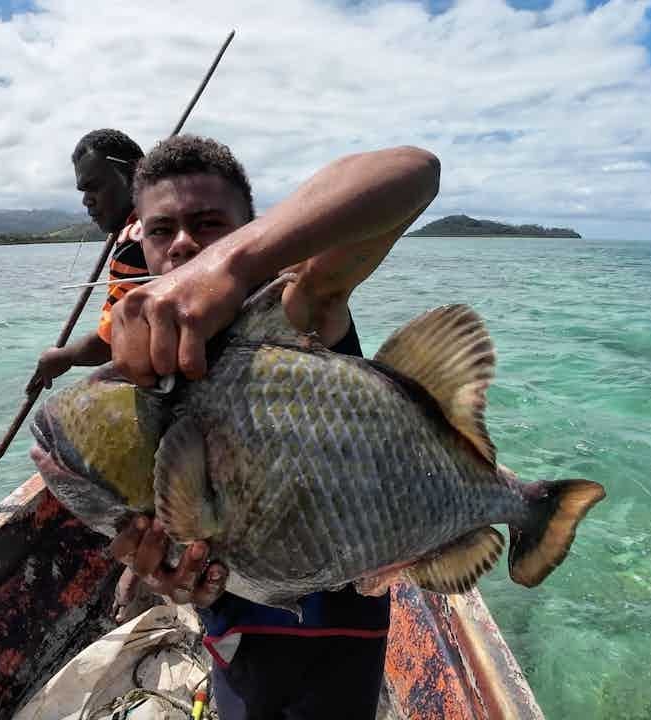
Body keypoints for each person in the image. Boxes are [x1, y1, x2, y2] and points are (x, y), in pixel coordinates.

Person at [103, 134, 440, 719]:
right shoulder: (155, 370)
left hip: (341, 631)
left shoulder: (299, 307)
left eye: (208, 224)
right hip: (235, 631)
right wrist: (165, 572)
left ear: (249, 228)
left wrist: (234, 266)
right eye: (161, 231)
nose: (183, 245)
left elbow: (416, 171)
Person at [27, 128, 150, 394]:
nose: (86, 201)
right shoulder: (165, 219)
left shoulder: (137, 238)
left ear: (132, 174)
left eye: (94, 187)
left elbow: (117, 337)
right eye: (83, 191)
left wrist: (65, 357)